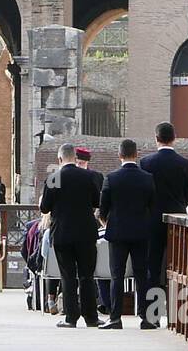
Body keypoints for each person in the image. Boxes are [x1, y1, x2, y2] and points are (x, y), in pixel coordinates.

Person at [39, 142, 101, 327]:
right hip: (86, 233)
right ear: (75, 158)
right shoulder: (89, 176)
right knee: (87, 276)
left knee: (68, 276)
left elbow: (45, 207)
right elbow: (97, 202)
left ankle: (71, 318)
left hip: (62, 234)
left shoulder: (54, 178)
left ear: (59, 159)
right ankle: (91, 317)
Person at [139, 122, 188, 328]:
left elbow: (143, 194)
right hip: (177, 220)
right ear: (174, 138)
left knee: (152, 268)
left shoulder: (145, 163)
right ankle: (177, 317)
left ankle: (151, 317)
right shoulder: (184, 163)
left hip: (152, 220)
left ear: (156, 139)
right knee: (177, 267)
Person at [97, 139, 156, 330]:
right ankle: (145, 318)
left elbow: (103, 208)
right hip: (141, 232)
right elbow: (152, 206)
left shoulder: (111, 178)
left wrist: (108, 223)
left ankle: (115, 318)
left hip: (117, 233)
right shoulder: (147, 178)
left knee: (117, 275)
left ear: (119, 155)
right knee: (141, 275)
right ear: (136, 154)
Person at [74, 146, 108, 315]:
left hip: (90, 222)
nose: (80, 165)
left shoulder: (96, 176)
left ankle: (95, 301)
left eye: (83, 162)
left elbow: (99, 200)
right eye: (78, 162)